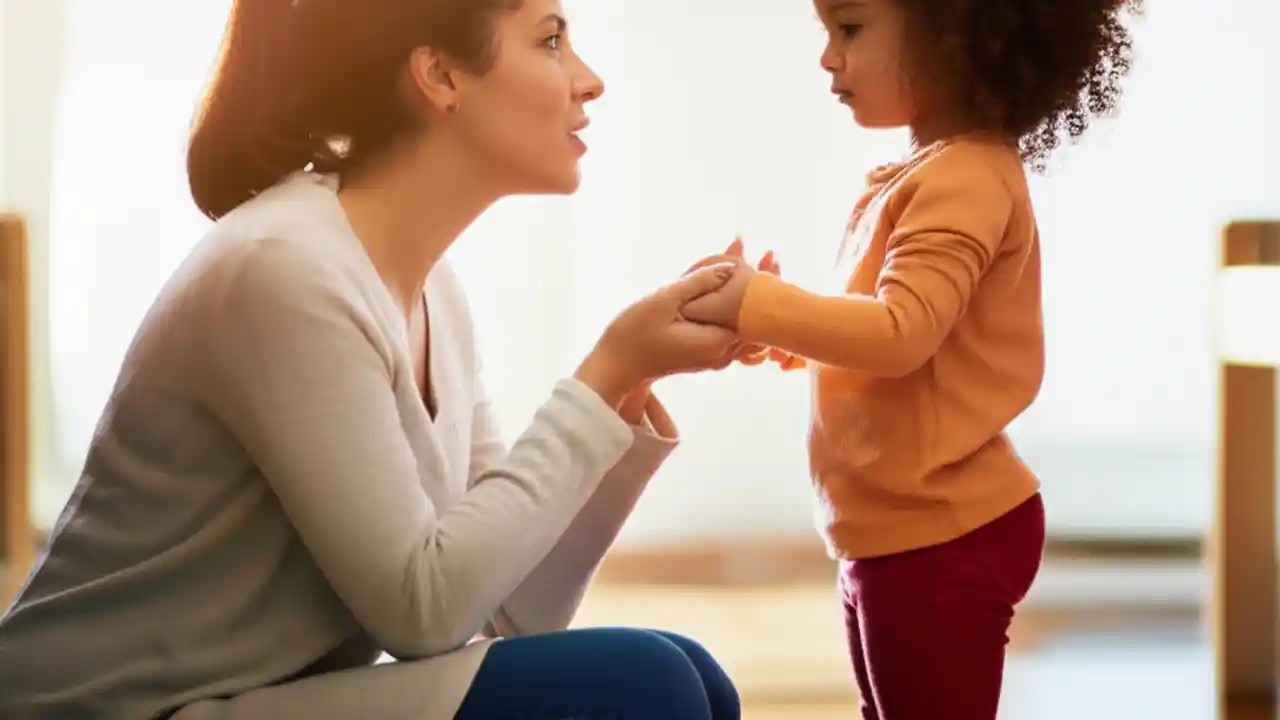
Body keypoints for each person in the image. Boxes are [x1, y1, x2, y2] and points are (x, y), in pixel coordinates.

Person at [0, 1, 744, 718]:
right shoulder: (284, 272)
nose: (589, 79)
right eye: (550, 40)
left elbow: (510, 616)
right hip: (116, 709)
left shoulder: (432, 294)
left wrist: (627, 387)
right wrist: (605, 370)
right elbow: (423, 613)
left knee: (693, 676)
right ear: (441, 76)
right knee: (648, 684)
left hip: (237, 701)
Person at [682, 0, 1141, 717]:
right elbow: (912, 343)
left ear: (954, 34)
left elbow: (900, 334)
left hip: (939, 532)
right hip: (898, 526)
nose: (828, 57)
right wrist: (785, 332)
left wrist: (759, 303)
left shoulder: (964, 180)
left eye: (851, 29)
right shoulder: (929, 174)